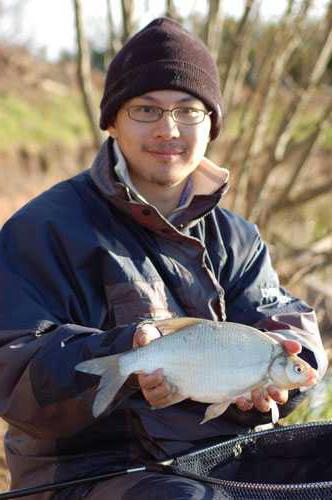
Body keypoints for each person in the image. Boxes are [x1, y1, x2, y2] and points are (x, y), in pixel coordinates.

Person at [0, 17, 328, 500]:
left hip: (220, 454)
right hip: (90, 472)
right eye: (146, 110)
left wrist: (284, 373)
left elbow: (280, 317)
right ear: (112, 121)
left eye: (188, 111)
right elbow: (13, 368)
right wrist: (127, 357)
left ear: (211, 123)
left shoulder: (236, 236)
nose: (168, 129)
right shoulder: (43, 230)